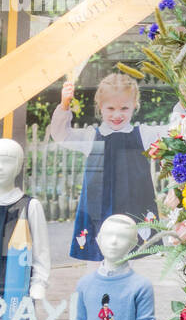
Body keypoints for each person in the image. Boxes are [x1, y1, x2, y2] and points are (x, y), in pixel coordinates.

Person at [50, 72, 164, 262]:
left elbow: (174, 129)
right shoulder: (90, 137)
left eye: (124, 108)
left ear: (134, 105)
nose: (117, 115)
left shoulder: (142, 135)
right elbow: (61, 134)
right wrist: (64, 105)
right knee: (99, 257)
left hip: (134, 205)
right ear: (100, 107)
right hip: (99, 208)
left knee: (134, 255)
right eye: (110, 108)